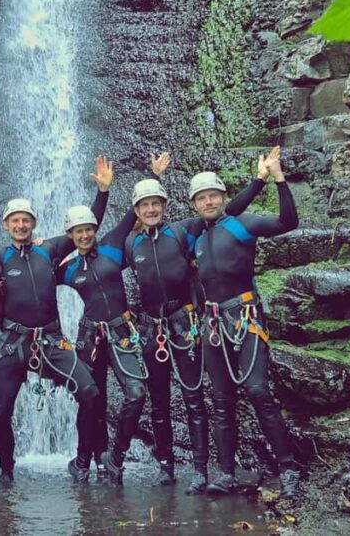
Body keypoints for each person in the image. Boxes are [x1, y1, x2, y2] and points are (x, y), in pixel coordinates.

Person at [125, 152, 270, 494]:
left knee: (193, 397)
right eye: (144, 205)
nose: (151, 210)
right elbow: (100, 253)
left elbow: (223, 212)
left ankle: (202, 470)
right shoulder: (132, 243)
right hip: (151, 326)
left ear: (165, 205)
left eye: (156, 203)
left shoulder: (183, 232)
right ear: (136, 210)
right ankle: (165, 467)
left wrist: (260, 181)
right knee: (158, 400)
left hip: (185, 321)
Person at [0, 157, 112, 484]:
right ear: (6, 225)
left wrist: (103, 190)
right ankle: (6, 468)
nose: (20, 225)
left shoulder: (50, 249)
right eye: (14, 221)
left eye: (25, 220)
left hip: (52, 340)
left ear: (34, 223)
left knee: (90, 392)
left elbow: (86, 228)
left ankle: (82, 460)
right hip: (14, 344)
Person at [189, 146, 303, 497]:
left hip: (245, 316)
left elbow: (288, 223)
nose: (209, 202)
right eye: (202, 198)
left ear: (224, 198)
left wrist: (277, 179)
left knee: (257, 391)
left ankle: (288, 467)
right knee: (221, 399)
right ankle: (225, 473)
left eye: (214, 196)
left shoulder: (243, 225)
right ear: (194, 204)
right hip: (212, 323)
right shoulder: (195, 236)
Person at [56, 156, 147, 486]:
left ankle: (114, 456)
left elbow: (132, 214)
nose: (84, 235)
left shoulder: (111, 246)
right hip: (89, 337)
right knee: (89, 399)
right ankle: (83, 459)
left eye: (88, 229)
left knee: (136, 393)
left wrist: (104, 190)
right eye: (78, 231)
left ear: (95, 230)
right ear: (70, 234)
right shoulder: (66, 269)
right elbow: (35, 282)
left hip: (121, 331)